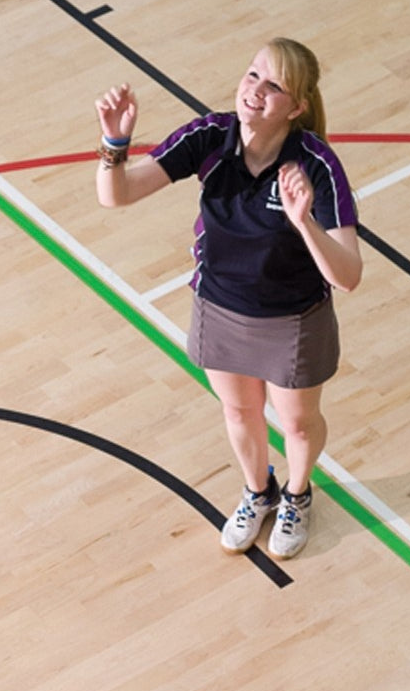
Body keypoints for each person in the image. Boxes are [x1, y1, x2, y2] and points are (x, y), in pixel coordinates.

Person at [94, 38, 362, 560]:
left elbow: (349, 276)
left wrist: (303, 220)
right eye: (252, 76)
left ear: (298, 106)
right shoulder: (210, 137)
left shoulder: (316, 165)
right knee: (240, 414)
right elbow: (117, 194)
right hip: (218, 306)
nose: (255, 91)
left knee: (299, 423)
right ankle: (258, 492)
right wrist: (114, 142)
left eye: (274, 85)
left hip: (293, 319)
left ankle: (298, 494)